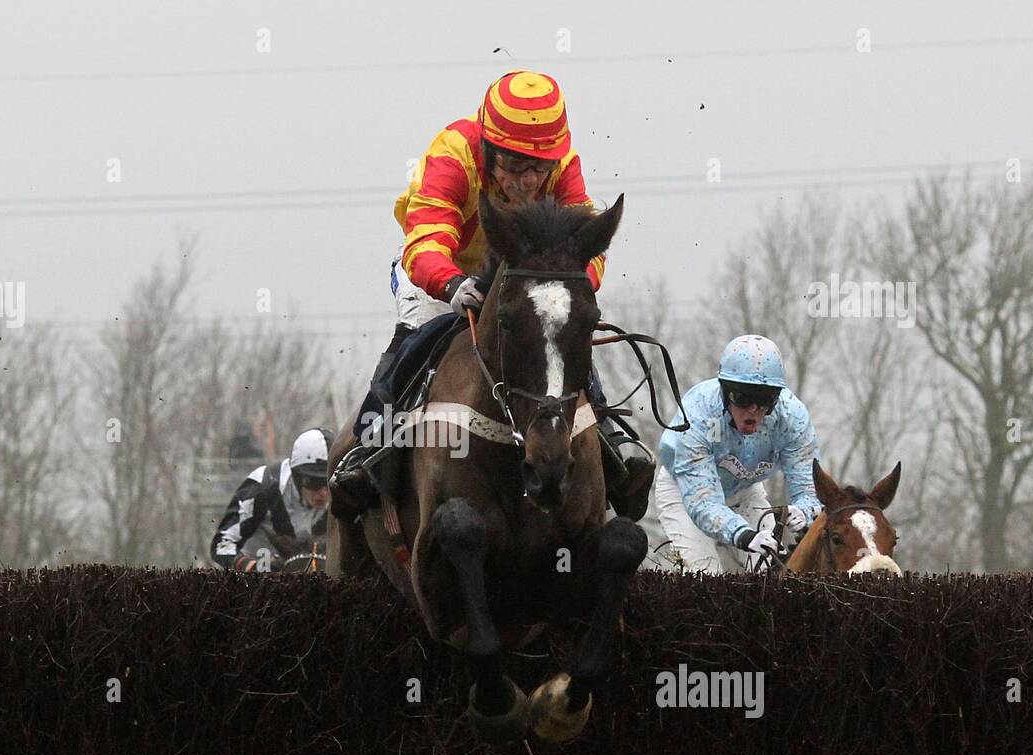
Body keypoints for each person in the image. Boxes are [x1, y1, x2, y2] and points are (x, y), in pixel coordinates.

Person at [330, 70, 651, 519]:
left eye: (538, 168)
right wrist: (449, 284)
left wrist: (569, 293)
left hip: (520, 281)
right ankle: (367, 453)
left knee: (557, 336)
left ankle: (613, 443)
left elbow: (586, 250)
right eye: (515, 166)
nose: (527, 180)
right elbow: (425, 238)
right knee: (418, 338)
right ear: (488, 147)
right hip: (444, 272)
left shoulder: (562, 163)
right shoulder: (453, 153)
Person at [655, 335, 822, 574]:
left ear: (776, 397)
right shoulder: (700, 412)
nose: (753, 410)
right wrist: (742, 534)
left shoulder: (792, 417)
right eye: (742, 397)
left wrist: (805, 509)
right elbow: (704, 499)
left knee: (772, 574)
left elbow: (808, 486)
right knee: (706, 577)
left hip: (745, 492)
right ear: (725, 391)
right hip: (685, 492)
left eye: (764, 399)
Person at [211, 426, 333, 571]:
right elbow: (222, 544)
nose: (323, 493)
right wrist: (252, 567)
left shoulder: (343, 492)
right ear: (297, 476)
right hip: (255, 583)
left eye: (328, 482)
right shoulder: (264, 486)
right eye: (314, 482)